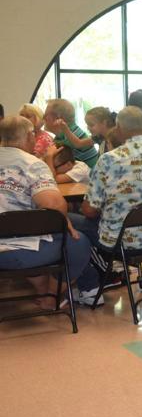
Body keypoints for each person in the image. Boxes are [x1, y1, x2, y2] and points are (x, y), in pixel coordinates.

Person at [69, 106, 142, 304]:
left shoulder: (109, 160)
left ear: (119, 128)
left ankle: (90, 287)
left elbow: (89, 210)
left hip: (124, 243)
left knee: (67, 221)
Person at [0, 116, 91, 306]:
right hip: (20, 250)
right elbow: (54, 206)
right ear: (29, 136)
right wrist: (64, 220)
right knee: (78, 243)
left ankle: (42, 288)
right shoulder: (32, 164)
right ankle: (51, 295)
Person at [44, 99, 98, 169]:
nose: (43, 118)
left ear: (58, 118)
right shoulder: (67, 134)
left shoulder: (69, 138)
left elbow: (55, 169)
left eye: (45, 115)